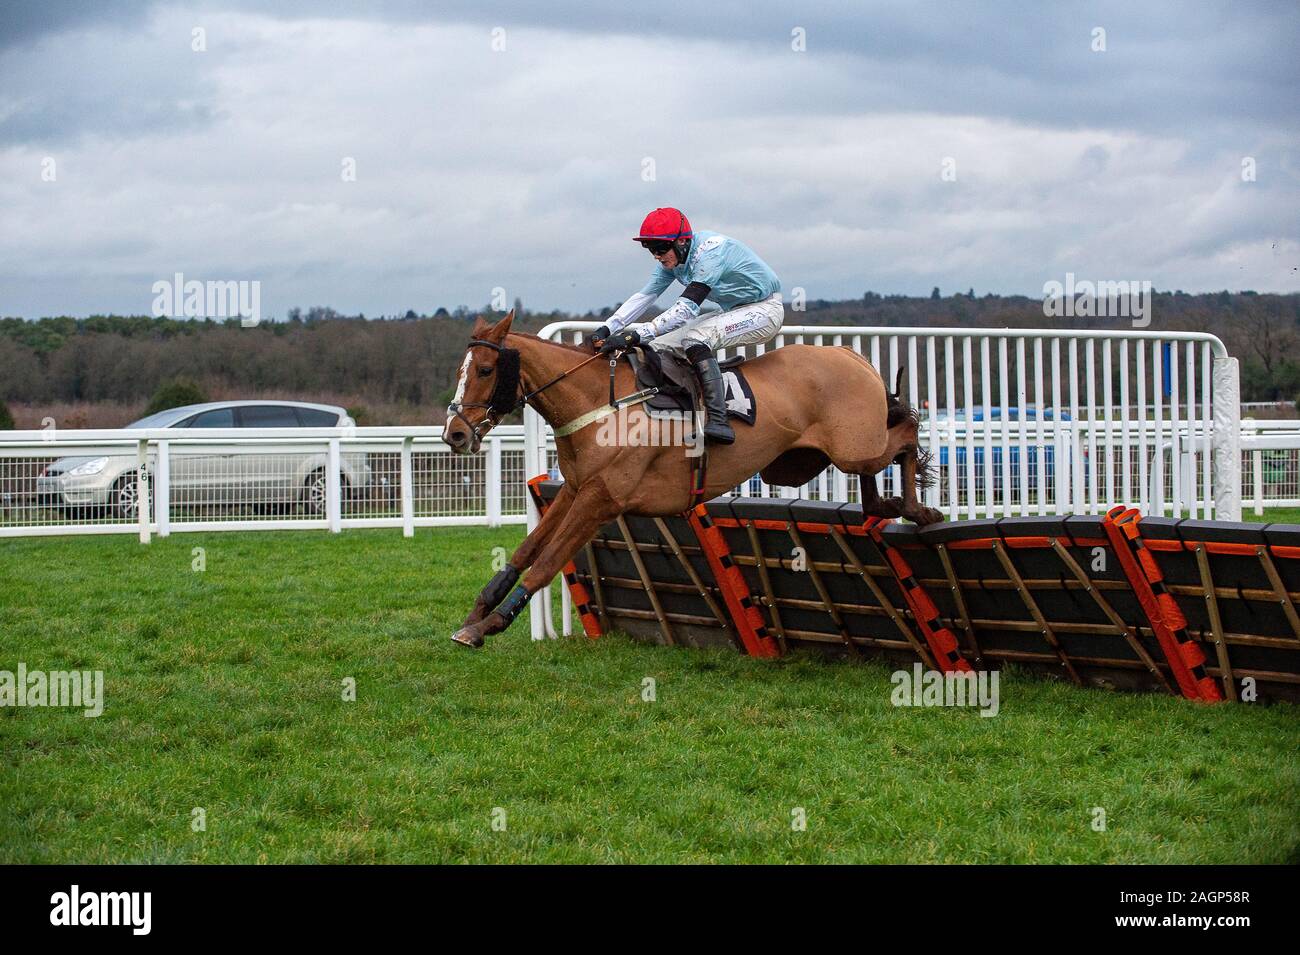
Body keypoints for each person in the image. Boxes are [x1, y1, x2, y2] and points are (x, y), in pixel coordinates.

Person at [587, 207, 783, 444]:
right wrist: (608, 328)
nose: (657, 256)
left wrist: (634, 336)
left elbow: (685, 310)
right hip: (734, 310)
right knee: (659, 346)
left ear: (682, 241)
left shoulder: (711, 253)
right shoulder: (674, 259)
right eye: (650, 249)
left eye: (660, 249)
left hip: (764, 310)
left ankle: (719, 421)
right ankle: (681, 412)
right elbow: (645, 296)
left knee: (695, 338)